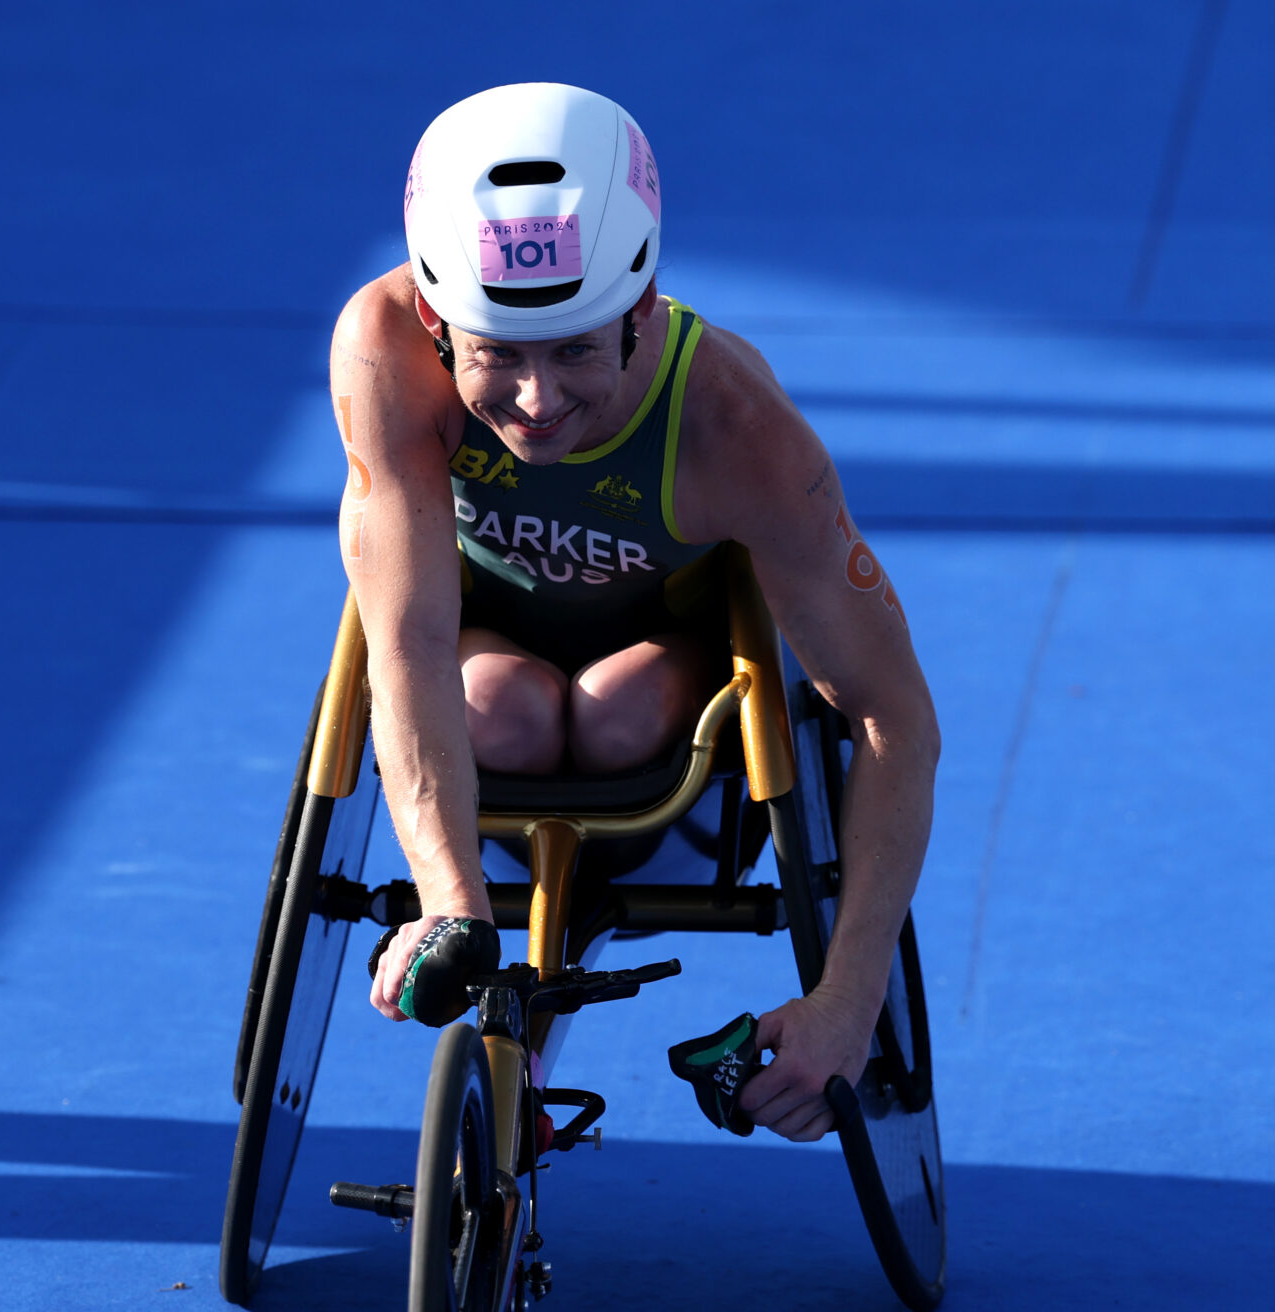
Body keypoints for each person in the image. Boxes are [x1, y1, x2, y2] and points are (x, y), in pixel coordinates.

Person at [331, 82, 936, 1141]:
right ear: (434, 323)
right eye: (495, 356)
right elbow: (407, 637)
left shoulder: (740, 430)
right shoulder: (385, 348)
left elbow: (892, 716)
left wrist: (848, 1001)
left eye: (572, 349)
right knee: (498, 701)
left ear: (642, 307)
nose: (534, 402)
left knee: (614, 707)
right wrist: (447, 900)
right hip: (481, 670)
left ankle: (567, 940)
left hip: (667, 716)